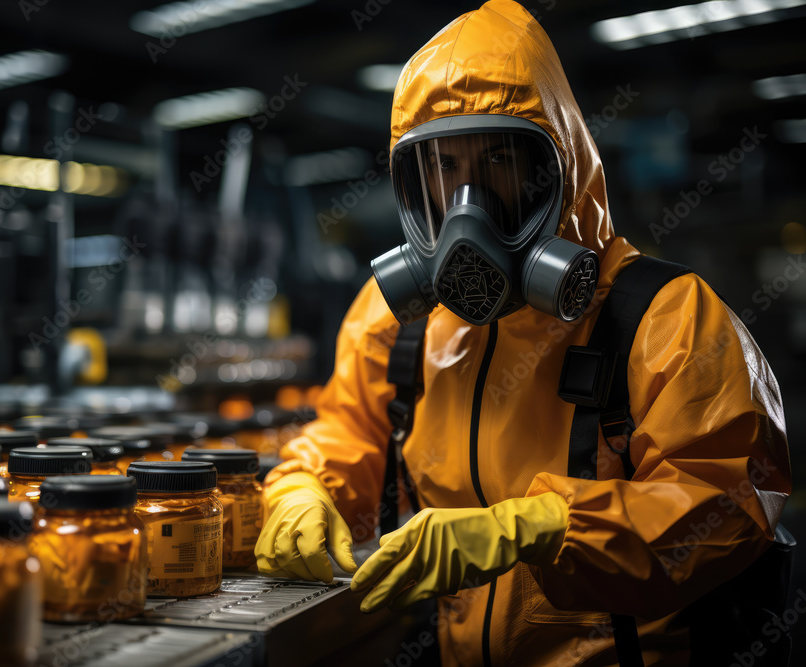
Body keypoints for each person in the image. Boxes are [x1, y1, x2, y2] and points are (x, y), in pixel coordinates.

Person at [254, 0, 792, 665]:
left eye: (499, 160)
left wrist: (543, 527)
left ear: (558, 166)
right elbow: (347, 431)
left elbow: (727, 502)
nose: (466, 204)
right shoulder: (396, 320)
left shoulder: (667, 317)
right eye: (443, 168)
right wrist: (302, 489)